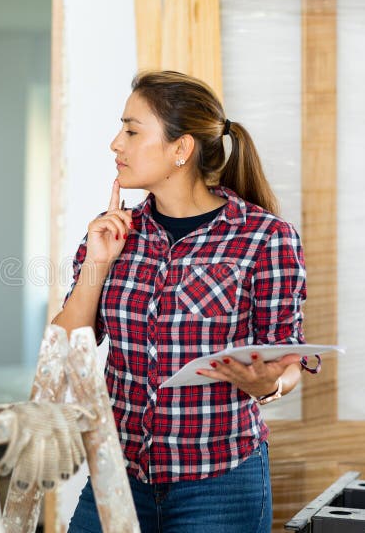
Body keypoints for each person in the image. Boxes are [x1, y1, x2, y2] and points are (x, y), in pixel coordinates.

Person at [52, 70, 311, 533]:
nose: (116, 143)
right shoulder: (114, 231)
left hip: (220, 486)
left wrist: (267, 386)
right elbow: (66, 346)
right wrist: (97, 261)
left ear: (180, 149)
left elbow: (288, 357)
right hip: (119, 476)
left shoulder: (264, 237)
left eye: (132, 130)